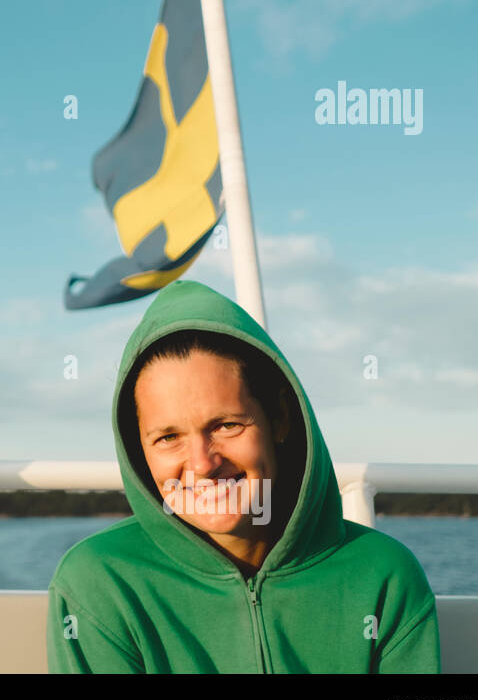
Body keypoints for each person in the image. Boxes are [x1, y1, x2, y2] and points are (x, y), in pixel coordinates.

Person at [47, 280, 439, 673]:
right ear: (139, 451)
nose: (202, 464)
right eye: (168, 437)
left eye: (227, 425)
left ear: (280, 418)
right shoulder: (100, 583)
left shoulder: (382, 576)